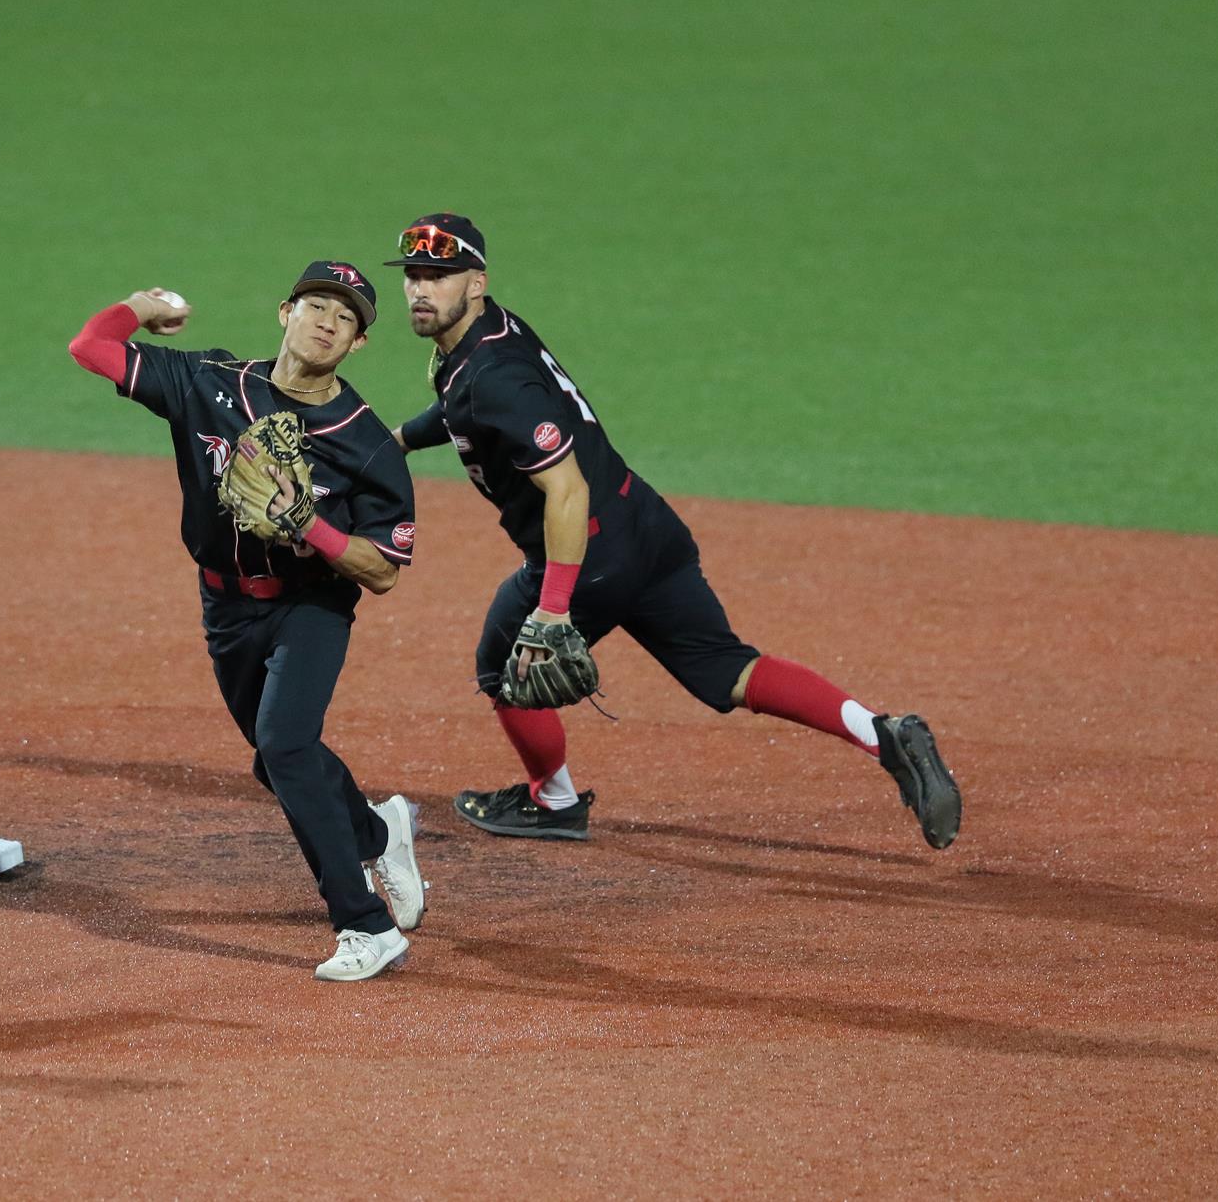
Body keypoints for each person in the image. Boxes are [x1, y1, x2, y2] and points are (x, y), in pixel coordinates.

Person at [385, 213, 962, 849]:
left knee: (505, 671)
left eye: (438, 276)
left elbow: (566, 489)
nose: (420, 288)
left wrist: (552, 610)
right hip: (646, 524)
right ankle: (883, 733)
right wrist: (402, 441)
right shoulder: (491, 333)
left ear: (475, 282)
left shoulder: (495, 378)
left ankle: (553, 802)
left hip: (587, 553)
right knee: (727, 670)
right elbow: (466, 409)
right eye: (413, 275)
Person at [68, 261, 428, 981]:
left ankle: (365, 925)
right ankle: (375, 828)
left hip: (312, 603)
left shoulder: (366, 444)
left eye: (346, 317)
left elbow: (383, 568)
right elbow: (91, 348)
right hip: (226, 605)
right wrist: (139, 305)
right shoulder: (207, 383)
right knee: (277, 762)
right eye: (316, 306)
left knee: (286, 745)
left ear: (357, 344)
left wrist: (310, 524)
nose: (327, 321)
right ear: (283, 312)